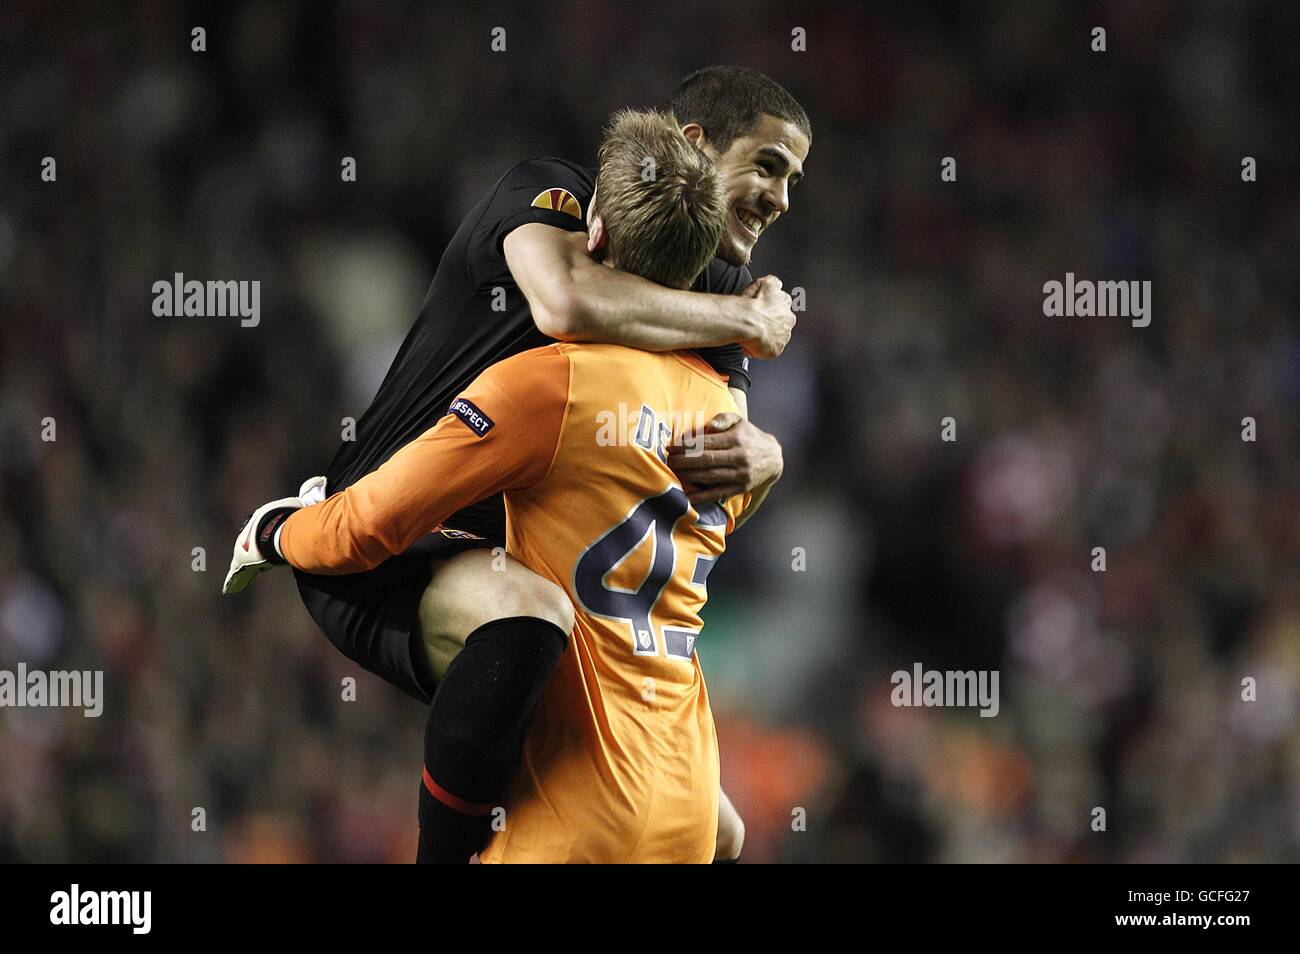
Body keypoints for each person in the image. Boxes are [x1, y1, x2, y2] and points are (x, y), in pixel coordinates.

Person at [224, 66, 811, 861]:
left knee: (718, 827)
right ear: (695, 144)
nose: (781, 197)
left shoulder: (715, 300)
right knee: (529, 622)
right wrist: (743, 319)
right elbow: (563, 300)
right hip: (393, 538)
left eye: (793, 179)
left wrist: (765, 458)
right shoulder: (551, 195)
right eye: (769, 165)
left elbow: (712, 489)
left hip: (524, 565)